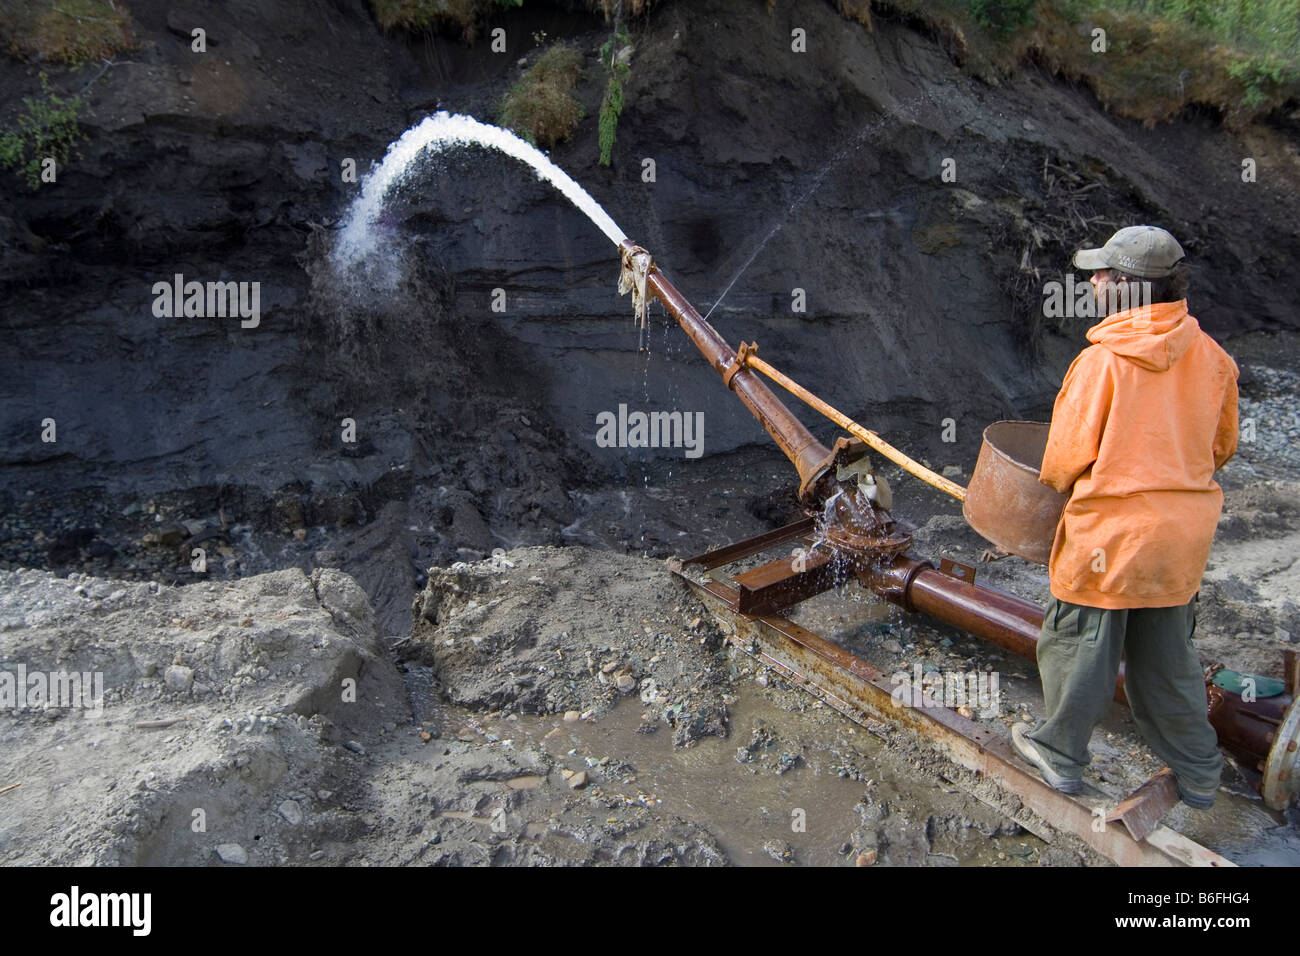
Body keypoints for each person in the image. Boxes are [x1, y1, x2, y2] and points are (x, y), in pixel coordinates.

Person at [1010, 225, 1239, 809]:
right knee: (1167, 661)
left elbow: (1064, 460)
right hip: (1181, 540)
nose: (1091, 282)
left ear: (1130, 290)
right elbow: (1221, 448)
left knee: (1079, 645)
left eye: (1103, 275)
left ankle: (1059, 756)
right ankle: (1199, 774)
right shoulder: (1214, 358)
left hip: (1108, 539)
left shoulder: (1100, 363)